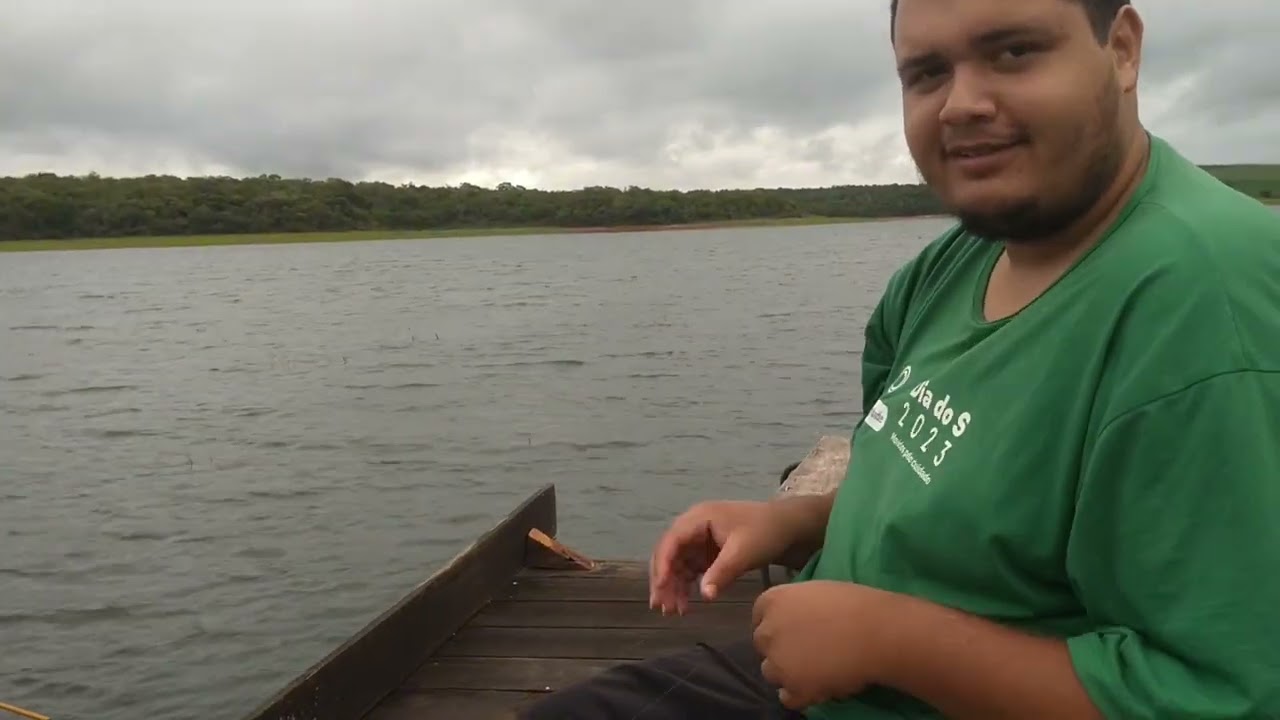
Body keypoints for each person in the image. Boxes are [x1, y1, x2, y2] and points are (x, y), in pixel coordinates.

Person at [521, 0, 1280, 717]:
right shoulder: (957, 264)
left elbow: (1224, 694)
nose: (960, 104)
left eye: (1013, 51)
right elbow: (945, 493)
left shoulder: (1205, 313)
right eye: (927, 73)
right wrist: (795, 524)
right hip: (830, 674)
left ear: (1121, 50)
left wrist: (891, 642)